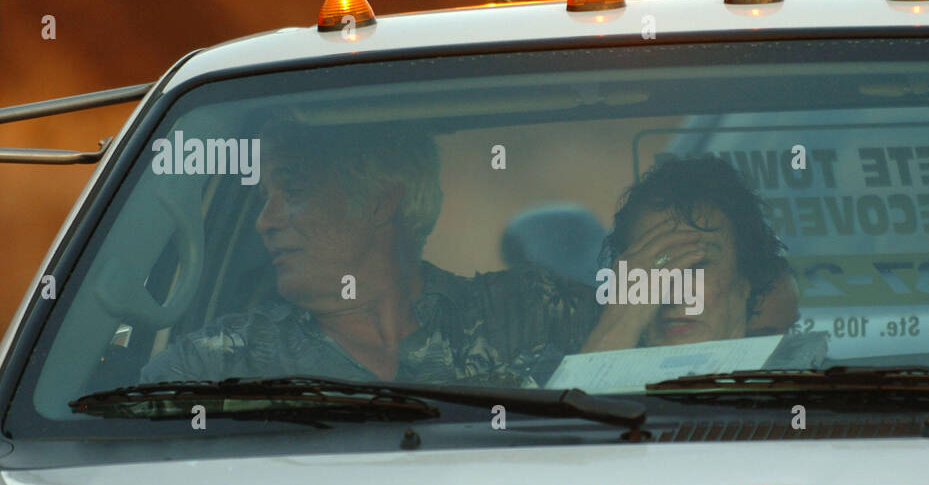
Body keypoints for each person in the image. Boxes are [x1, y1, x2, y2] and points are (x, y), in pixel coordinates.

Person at [141, 116, 600, 387]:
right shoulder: (219, 361)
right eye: (263, 199)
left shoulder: (530, 311)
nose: (266, 220)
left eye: (294, 190)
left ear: (381, 201)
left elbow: (655, 366)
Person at [580, 156, 824, 366]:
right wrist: (617, 328)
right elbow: (572, 418)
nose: (672, 294)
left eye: (696, 266)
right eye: (654, 267)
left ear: (745, 277)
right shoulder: (552, 384)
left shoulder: (802, 392)